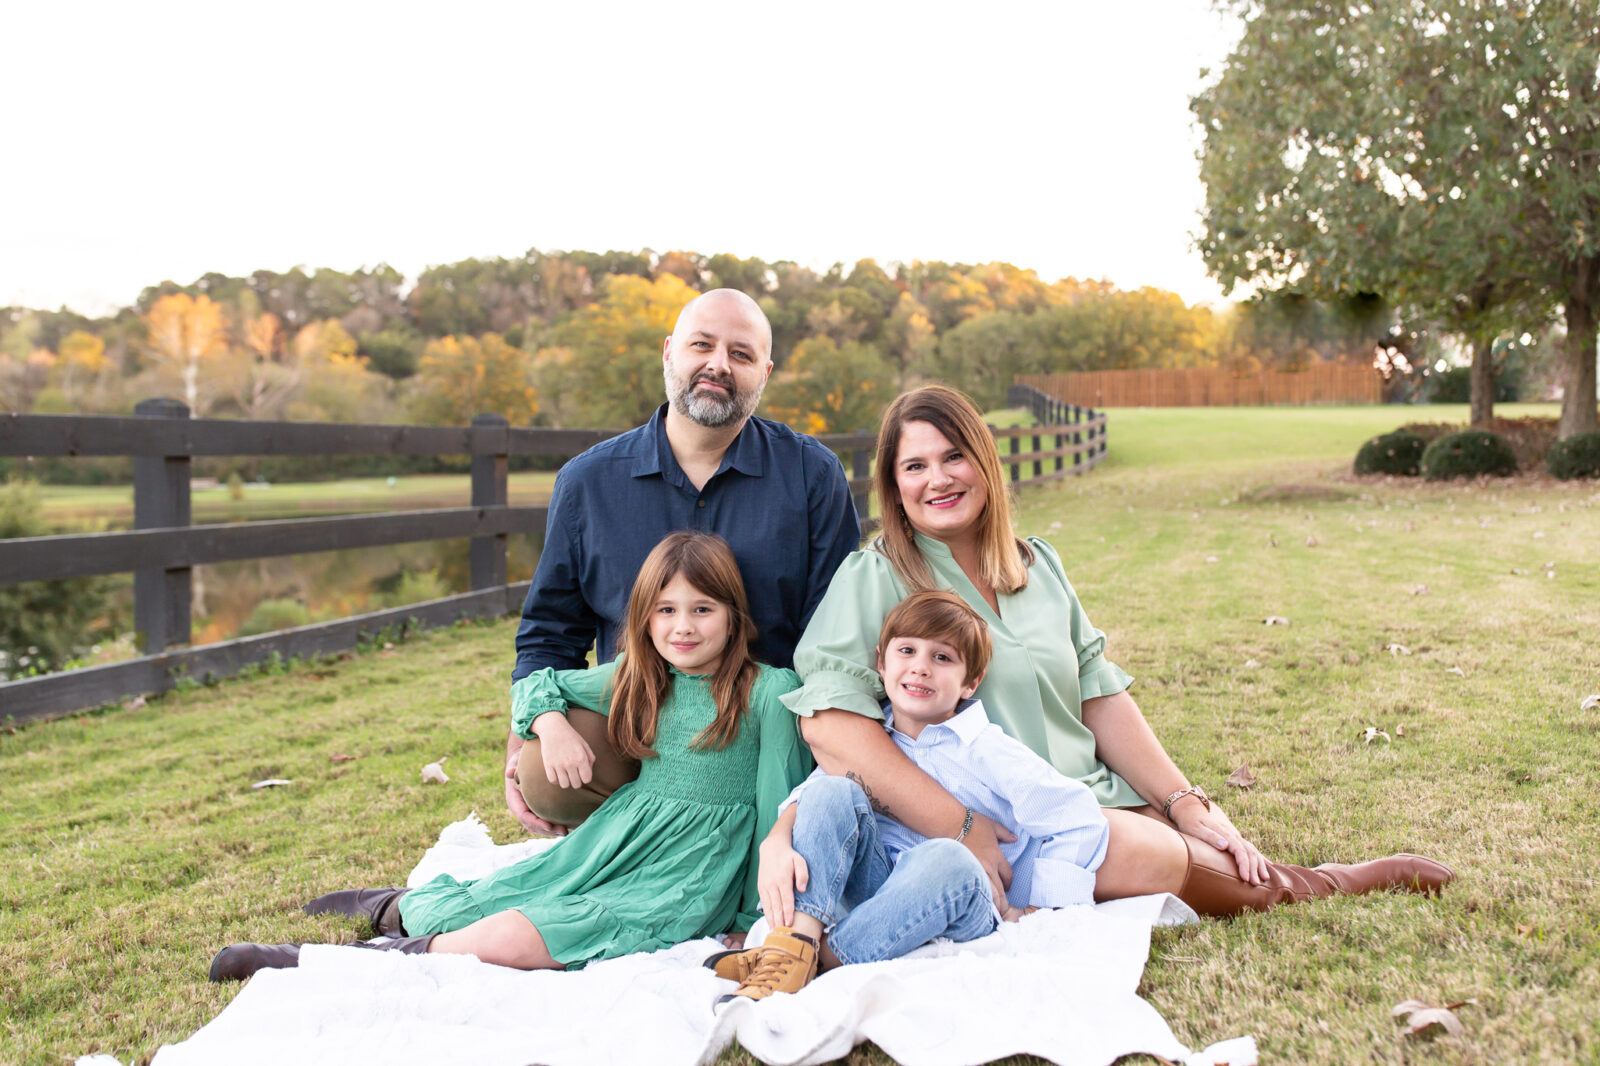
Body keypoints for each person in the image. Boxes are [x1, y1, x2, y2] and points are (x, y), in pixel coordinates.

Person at [786, 384, 1453, 919]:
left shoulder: (1036, 566)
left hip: (1086, 795)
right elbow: (831, 727)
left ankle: (1260, 871)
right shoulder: (875, 578)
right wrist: (962, 828)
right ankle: (1324, 885)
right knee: (1152, 852)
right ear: (893, 484)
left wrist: (1182, 797)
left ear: (984, 462)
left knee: (1185, 835)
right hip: (1005, 823)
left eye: (953, 456)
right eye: (915, 466)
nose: (938, 479)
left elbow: (1099, 695)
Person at [209, 532, 812, 981]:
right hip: (622, 837)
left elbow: (778, 807)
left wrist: (747, 913)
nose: (683, 627)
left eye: (702, 609)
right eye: (667, 610)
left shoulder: (766, 691)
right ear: (645, 618)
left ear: (734, 616)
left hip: (695, 868)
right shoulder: (641, 675)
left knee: (562, 924)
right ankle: (396, 907)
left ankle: (337, 962)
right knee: (522, 886)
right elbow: (536, 684)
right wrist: (550, 726)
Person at [505, 288, 859, 835]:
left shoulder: (812, 476)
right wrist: (527, 729)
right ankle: (641, 828)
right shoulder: (588, 482)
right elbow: (549, 632)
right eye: (702, 345)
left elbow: (835, 633)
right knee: (546, 776)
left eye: (740, 354)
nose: (718, 364)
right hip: (638, 724)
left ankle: (755, 830)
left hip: (767, 725)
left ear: (764, 372)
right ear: (670, 352)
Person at [709, 590, 1111, 1008]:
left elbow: (1079, 816)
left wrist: (1040, 904)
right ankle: (795, 941)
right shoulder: (872, 741)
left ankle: (814, 959)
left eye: (942, 658)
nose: (920, 667)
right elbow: (814, 797)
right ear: (882, 663)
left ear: (970, 681)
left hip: (955, 901)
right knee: (831, 788)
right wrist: (778, 836)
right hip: (877, 893)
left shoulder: (986, 749)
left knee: (948, 857)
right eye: (907, 651)